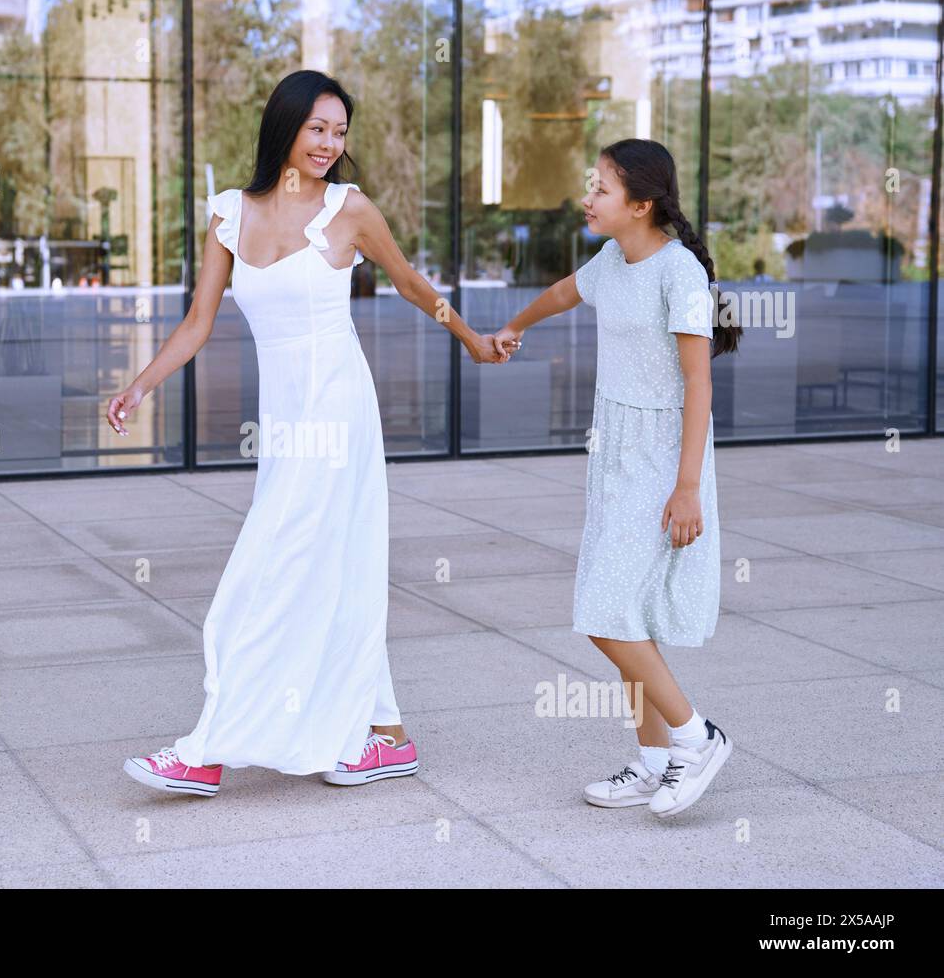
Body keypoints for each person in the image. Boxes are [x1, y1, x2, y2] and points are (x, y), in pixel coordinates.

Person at [107, 70, 508, 797]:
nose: (330, 143)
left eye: (340, 131)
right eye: (318, 127)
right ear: (285, 127)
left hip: (337, 413)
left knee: (269, 571)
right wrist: (141, 384)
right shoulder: (230, 213)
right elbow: (199, 322)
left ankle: (207, 748)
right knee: (335, 569)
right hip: (286, 426)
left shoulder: (348, 212)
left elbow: (414, 286)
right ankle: (386, 738)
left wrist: (473, 339)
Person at [493, 138, 742, 818]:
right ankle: (654, 760)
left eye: (601, 188)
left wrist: (687, 486)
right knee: (624, 610)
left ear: (641, 203)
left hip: (664, 461)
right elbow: (561, 292)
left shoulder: (678, 274)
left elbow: (699, 386)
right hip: (615, 456)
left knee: (606, 612)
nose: (588, 196)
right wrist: (512, 327)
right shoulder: (613, 258)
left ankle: (697, 737)